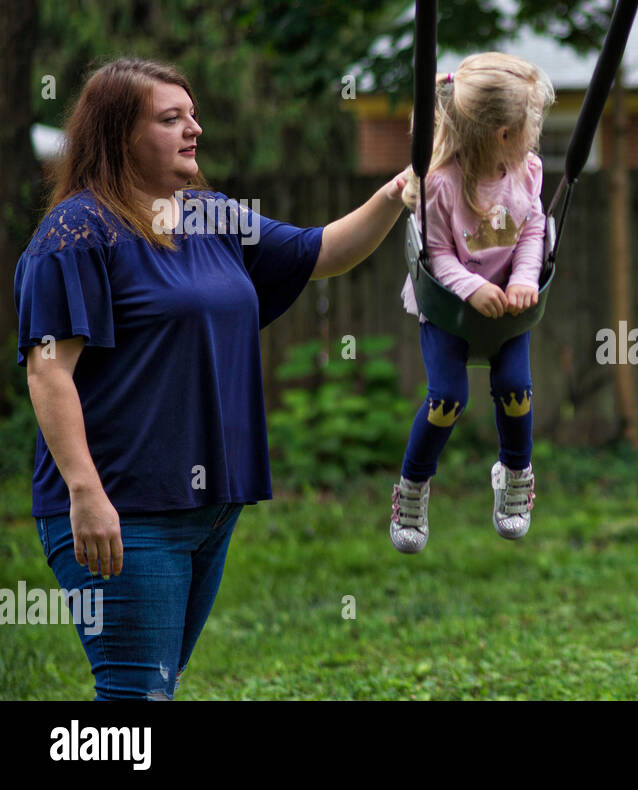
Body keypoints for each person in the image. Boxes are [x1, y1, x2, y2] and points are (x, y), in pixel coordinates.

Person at [15, 58, 408, 700]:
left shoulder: (209, 216)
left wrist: (397, 192)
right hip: (124, 506)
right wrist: (84, 491)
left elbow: (324, 252)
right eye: (171, 119)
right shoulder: (77, 232)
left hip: (209, 507)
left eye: (192, 115)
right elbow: (49, 370)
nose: (192, 129)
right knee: (135, 694)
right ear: (119, 137)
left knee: (155, 689)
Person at [389, 53, 554, 553]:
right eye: (532, 124)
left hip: (509, 305)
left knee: (515, 389)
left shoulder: (527, 171)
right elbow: (435, 254)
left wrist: (524, 278)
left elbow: (533, 229)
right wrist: (472, 288)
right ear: (502, 132)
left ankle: (515, 472)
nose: (537, 134)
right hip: (448, 308)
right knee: (446, 401)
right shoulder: (439, 183)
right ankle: (413, 486)